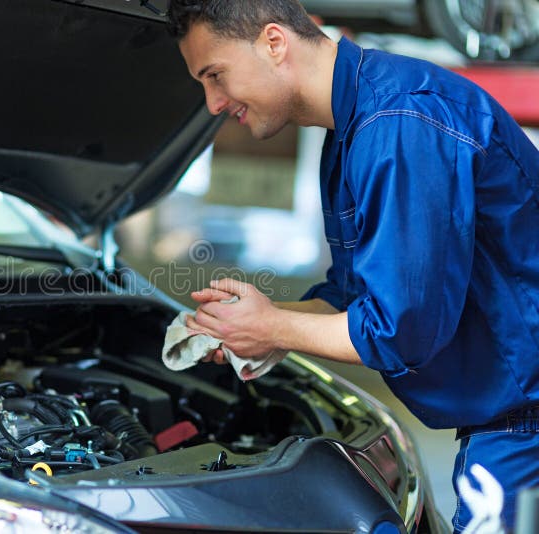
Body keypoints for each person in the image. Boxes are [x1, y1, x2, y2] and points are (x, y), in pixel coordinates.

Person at [166, 1, 539, 532]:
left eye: (215, 75)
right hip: (509, 419)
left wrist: (274, 327)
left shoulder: (399, 122)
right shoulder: (356, 127)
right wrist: (260, 327)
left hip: (527, 425)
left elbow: (401, 330)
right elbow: (352, 295)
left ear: (274, 43)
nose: (212, 102)